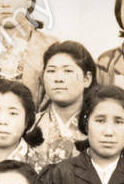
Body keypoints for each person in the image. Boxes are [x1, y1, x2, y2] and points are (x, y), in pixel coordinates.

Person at [29, 41, 96, 172]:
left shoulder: (101, 127)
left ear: (86, 79)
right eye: (51, 71)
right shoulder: (29, 126)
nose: (58, 78)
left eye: (68, 71)